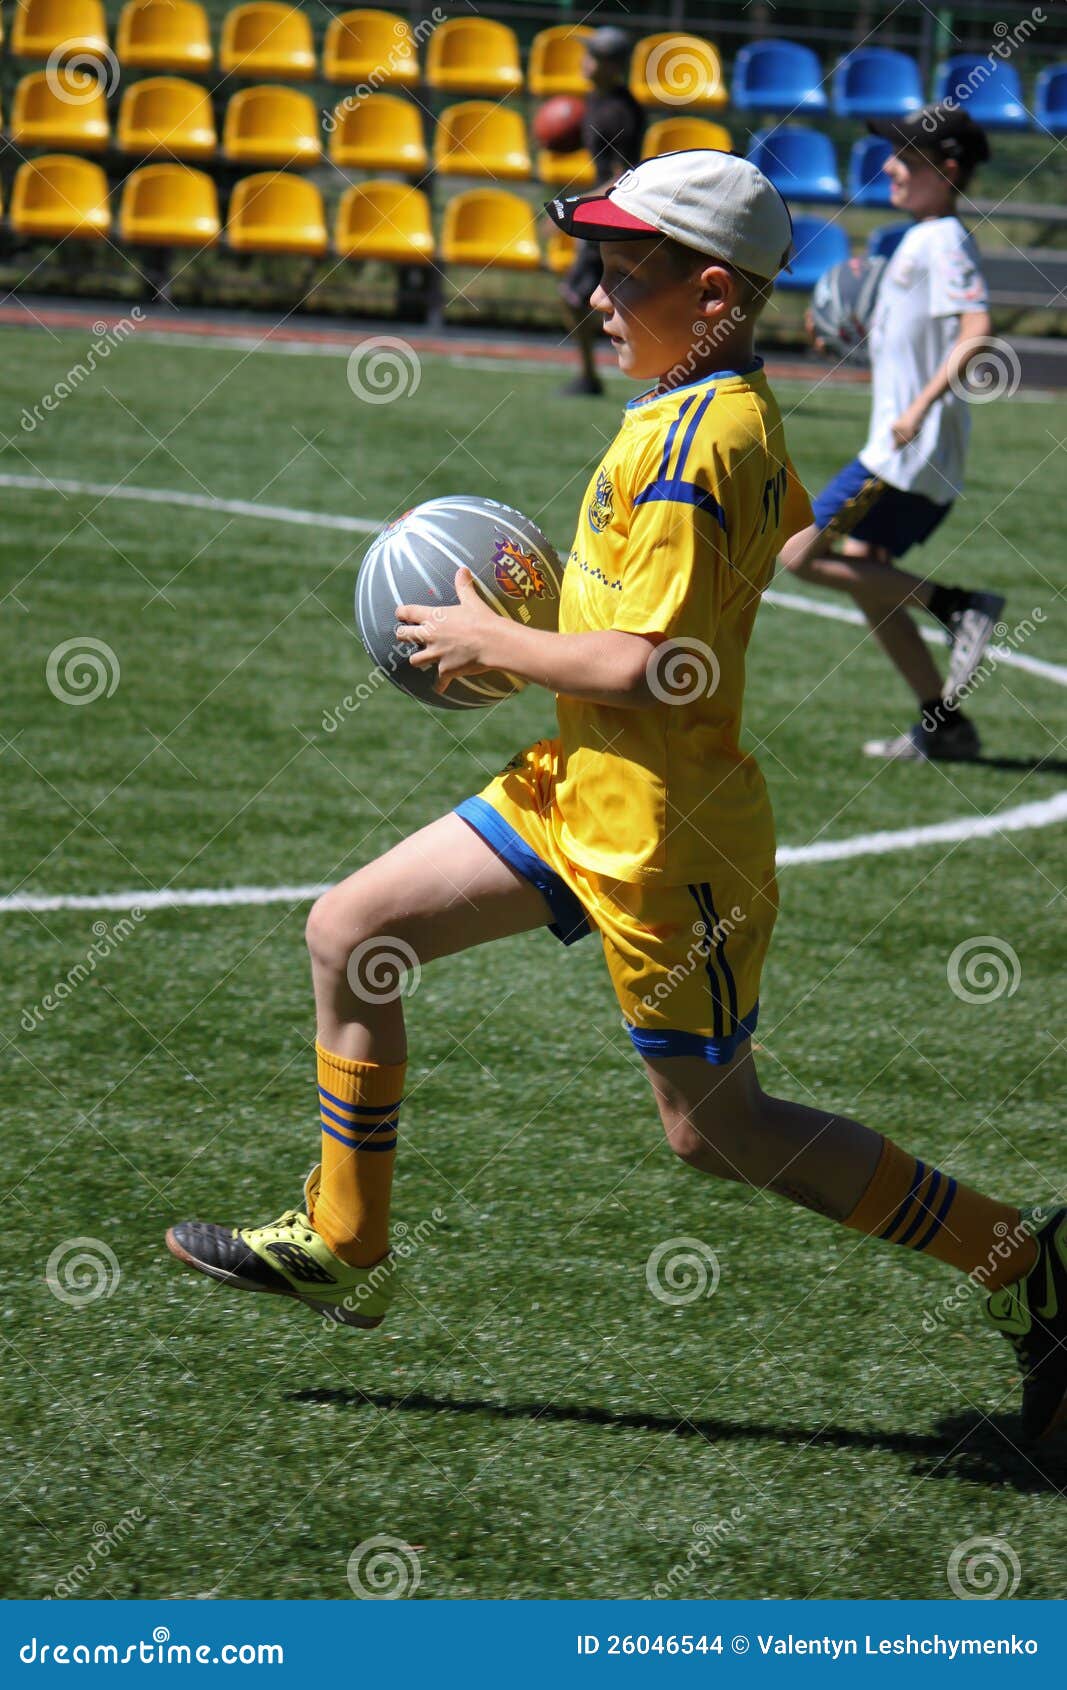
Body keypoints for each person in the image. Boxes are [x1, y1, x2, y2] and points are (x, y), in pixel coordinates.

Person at [165, 152, 1067, 1445]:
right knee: (349, 932)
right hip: (573, 787)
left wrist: (498, 644)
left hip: (664, 837)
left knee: (718, 1130)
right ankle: (345, 1237)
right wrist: (550, 611)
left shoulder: (705, 440)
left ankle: (1025, 1266)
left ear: (710, 292)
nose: (589, 294)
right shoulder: (692, 407)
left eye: (614, 271)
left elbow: (662, 664)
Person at [780, 106, 1005, 762]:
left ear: (948, 170)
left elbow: (975, 331)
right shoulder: (918, 237)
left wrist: (917, 409)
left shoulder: (943, 241)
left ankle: (957, 604)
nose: (889, 168)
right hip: (906, 449)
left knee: (797, 553)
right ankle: (945, 724)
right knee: (860, 575)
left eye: (905, 159)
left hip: (904, 453)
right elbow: (911, 339)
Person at [558, 26, 644, 397]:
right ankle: (592, 375)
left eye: (592, 55)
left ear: (612, 66)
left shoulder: (620, 113)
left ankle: (593, 377)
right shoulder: (595, 101)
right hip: (604, 211)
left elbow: (622, 179)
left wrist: (575, 208)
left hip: (614, 212)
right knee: (590, 298)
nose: (584, 61)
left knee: (579, 298)